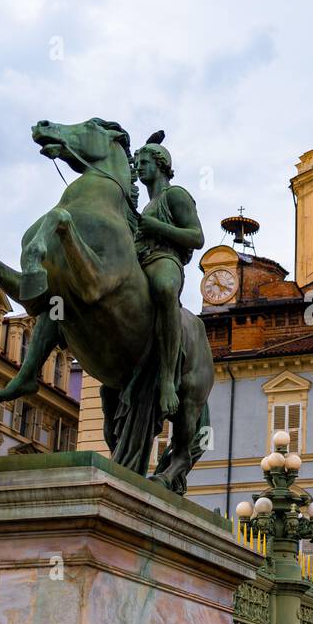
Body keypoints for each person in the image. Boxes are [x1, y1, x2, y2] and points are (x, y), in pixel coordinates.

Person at [132, 131, 204, 416]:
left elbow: (197, 237)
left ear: (160, 164)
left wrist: (156, 227)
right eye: (137, 161)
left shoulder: (175, 195)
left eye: (145, 161)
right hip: (140, 260)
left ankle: (166, 378)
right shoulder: (144, 205)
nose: (139, 166)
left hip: (166, 258)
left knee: (163, 289)